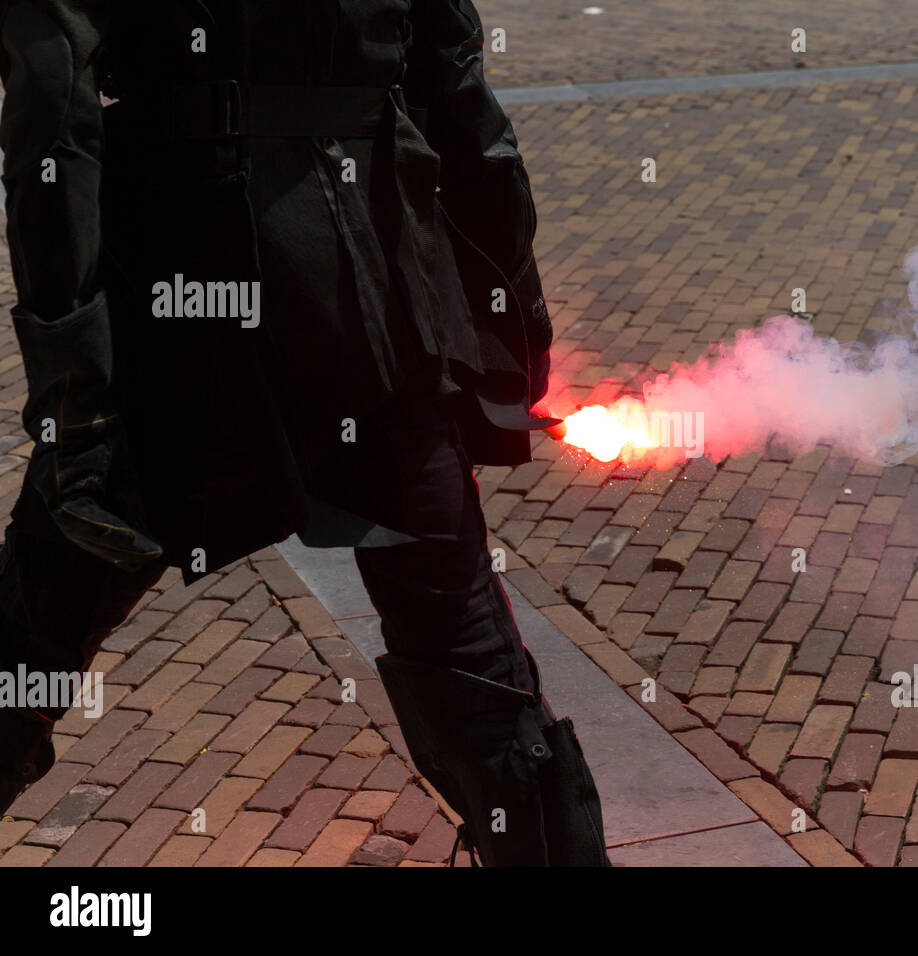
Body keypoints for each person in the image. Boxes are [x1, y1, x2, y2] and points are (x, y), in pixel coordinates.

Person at [0, 0, 610, 867]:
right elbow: (461, 93)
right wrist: (512, 316)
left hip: (185, 311)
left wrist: (75, 387)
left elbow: (52, 111)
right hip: (377, 309)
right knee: (477, 674)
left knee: (30, 638)